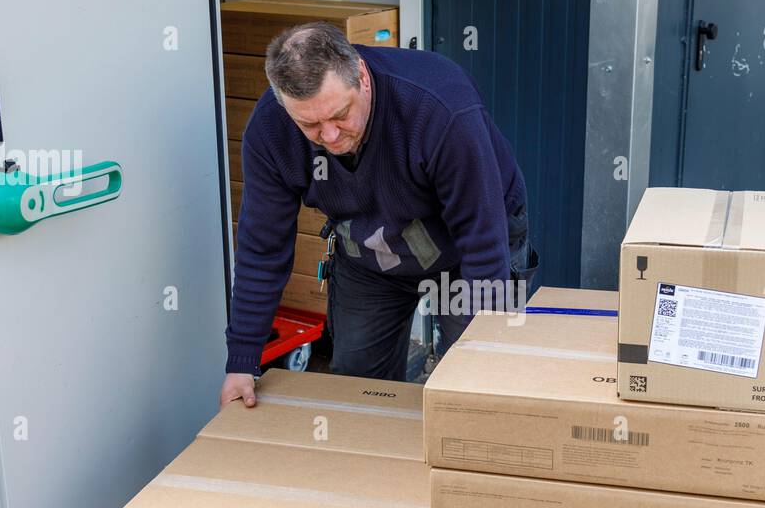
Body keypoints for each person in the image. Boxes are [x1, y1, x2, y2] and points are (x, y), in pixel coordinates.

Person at [218, 22, 538, 409]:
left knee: (475, 386)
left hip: (470, 246)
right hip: (372, 248)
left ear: (363, 78)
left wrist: (482, 354)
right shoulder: (270, 131)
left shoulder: (439, 105)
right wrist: (241, 361)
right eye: (310, 125)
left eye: (339, 115)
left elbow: (481, 238)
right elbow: (262, 250)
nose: (330, 137)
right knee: (357, 389)